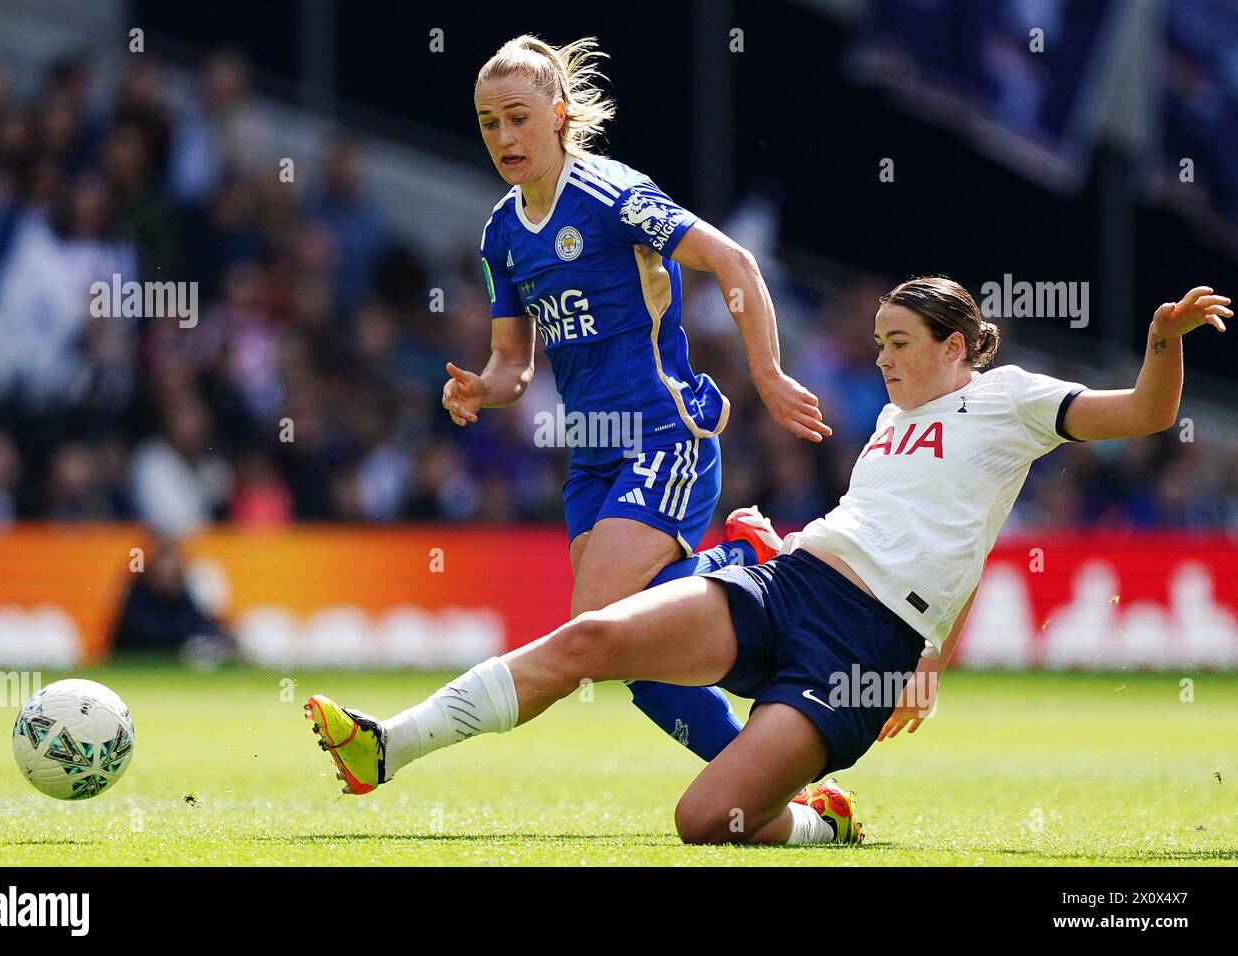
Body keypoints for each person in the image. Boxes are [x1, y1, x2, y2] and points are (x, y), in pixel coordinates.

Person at [307, 278, 1228, 845]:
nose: (882, 360)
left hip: (862, 649)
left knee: (704, 824)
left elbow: (1144, 415)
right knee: (588, 637)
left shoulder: (1013, 402)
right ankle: (387, 748)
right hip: (788, 581)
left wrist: (1162, 341)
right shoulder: (889, 426)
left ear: (956, 347)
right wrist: (779, 544)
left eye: (899, 344)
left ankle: (818, 825)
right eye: (876, 344)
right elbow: (913, 531)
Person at [440, 35, 831, 761]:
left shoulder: (610, 195)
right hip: (591, 461)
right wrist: (481, 391)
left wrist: (769, 374)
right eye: (489, 121)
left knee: (595, 622)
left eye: (519, 117)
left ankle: (742, 558)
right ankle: (765, 777)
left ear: (558, 114)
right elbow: (512, 365)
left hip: (663, 437)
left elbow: (730, 257)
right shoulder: (501, 233)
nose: (504, 136)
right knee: (633, 658)